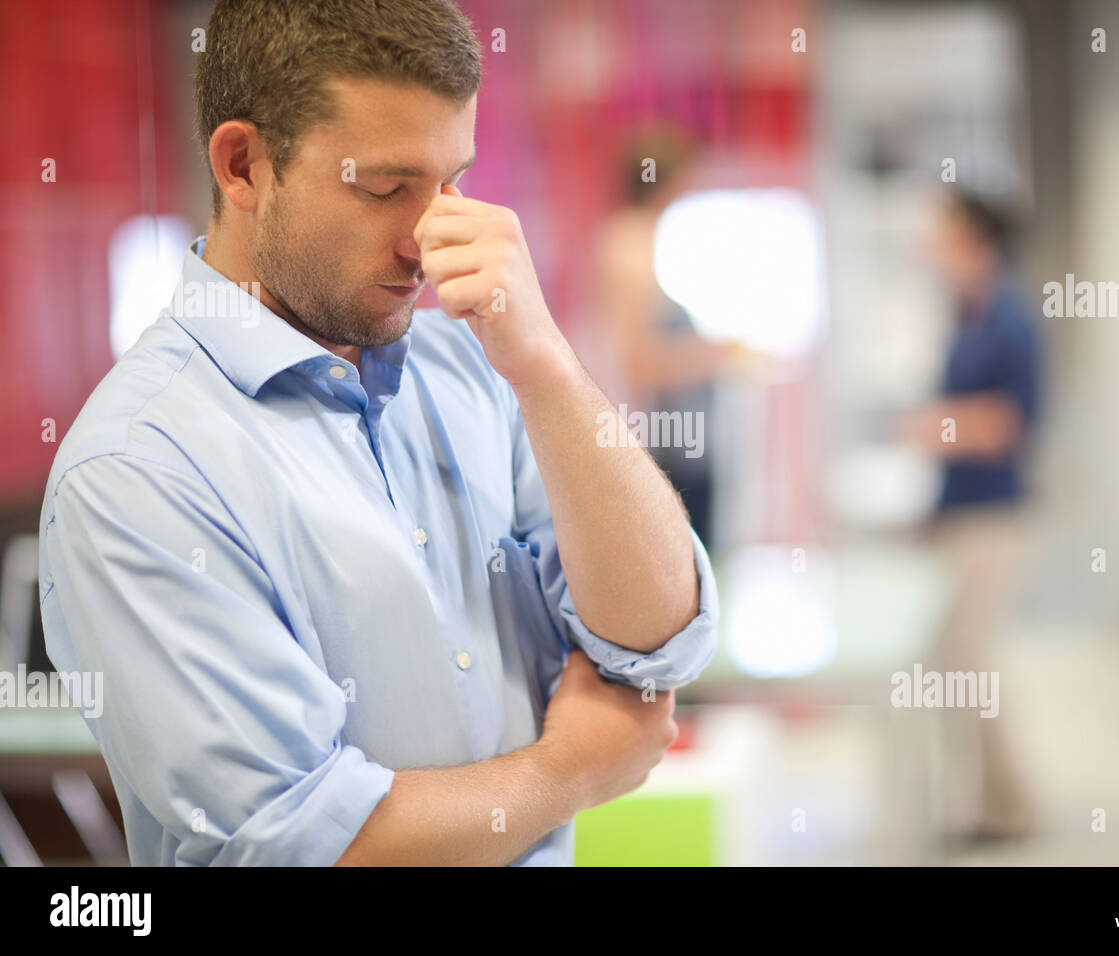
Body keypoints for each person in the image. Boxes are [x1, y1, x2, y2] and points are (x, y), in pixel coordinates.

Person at [37, 0, 717, 867]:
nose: (428, 242)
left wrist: (546, 365)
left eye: (452, 183)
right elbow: (301, 842)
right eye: (385, 188)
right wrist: (571, 771)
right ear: (243, 165)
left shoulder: (476, 369)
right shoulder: (136, 470)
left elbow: (663, 635)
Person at [901, 191, 1041, 844]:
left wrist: (936, 428)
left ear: (975, 240)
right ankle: (984, 803)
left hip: (995, 518)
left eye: (945, 233)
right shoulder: (968, 316)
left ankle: (1006, 806)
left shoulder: (1011, 321)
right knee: (955, 664)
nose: (935, 245)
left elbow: (1011, 424)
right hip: (959, 515)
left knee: (968, 662)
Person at [591, 125, 745, 549]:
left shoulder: (650, 240)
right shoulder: (631, 247)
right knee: (686, 579)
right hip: (664, 444)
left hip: (676, 439)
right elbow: (639, 362)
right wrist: (717, 355)